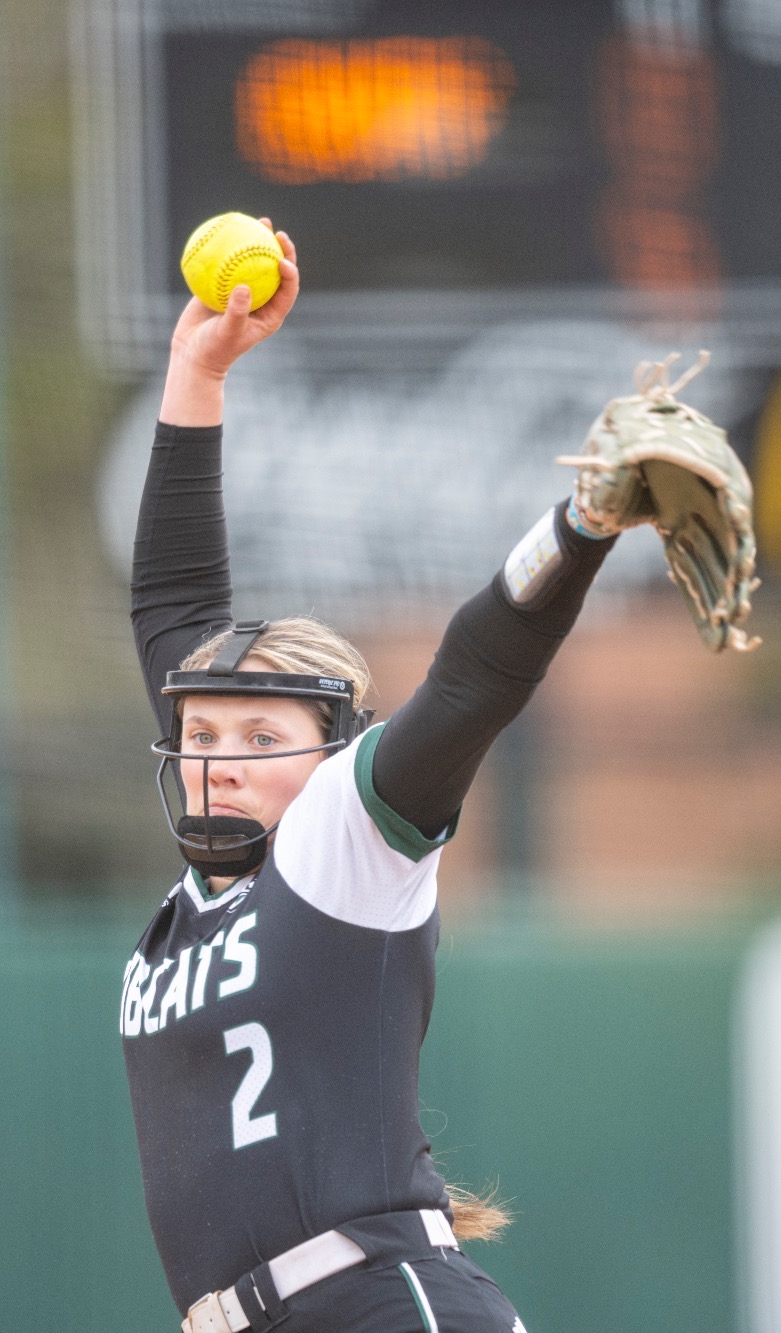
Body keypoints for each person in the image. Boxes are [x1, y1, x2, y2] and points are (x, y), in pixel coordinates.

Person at [121, 222, 647, 1333]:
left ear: (329, 756)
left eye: (257, 735)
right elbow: (171, 604)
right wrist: (195, 371)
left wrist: (580, 526)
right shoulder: (202, 897)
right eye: (202, 735)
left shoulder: (335, 847)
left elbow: (470, 683)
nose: (218, 759)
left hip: (380, 1305)